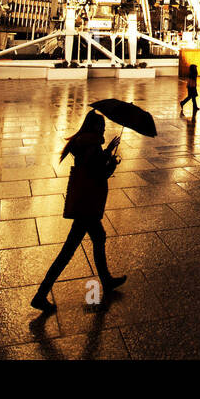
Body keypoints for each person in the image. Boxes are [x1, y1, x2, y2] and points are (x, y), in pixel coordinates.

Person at [31, 110, 125, 313]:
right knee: (68, 251)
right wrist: (112, 163)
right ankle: (40, 294)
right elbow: (99, 174)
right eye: (102, 127)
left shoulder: (85, 144)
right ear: (95, 127)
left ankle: (106, 279)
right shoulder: (91, 147)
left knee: (99, 237)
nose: (104, 129)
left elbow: (92, 166)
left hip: (85, 202)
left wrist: (107, 152)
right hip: (87, 205)